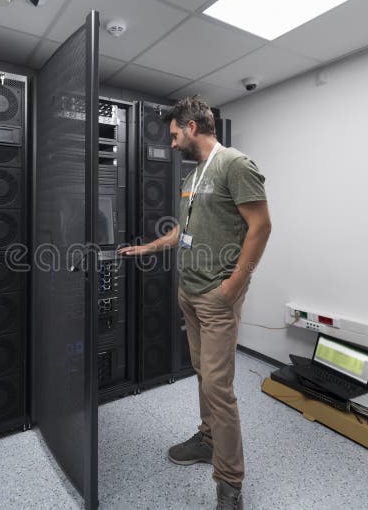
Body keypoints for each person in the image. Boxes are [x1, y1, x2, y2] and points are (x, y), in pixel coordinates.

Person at [118, 96, 271, 510]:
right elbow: (182, 231)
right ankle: (207, 441)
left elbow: (261, 225)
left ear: (191, 127)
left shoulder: (234, 165)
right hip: (190, 290)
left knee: (219, 387)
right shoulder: (195, 173)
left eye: (173, 135)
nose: (170, 145)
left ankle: (230, 484)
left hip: (217, 297)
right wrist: (148, 247)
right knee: (203, 375)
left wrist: (236, 282)